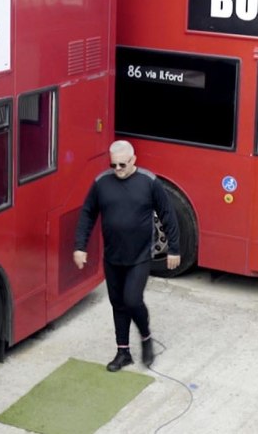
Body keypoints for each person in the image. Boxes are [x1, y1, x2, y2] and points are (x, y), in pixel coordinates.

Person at [73, 140, 180, 372]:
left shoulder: (149, 182)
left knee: (132, 300)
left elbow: (168, 215)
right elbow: (87, 214)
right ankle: (123, 352)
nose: (118, 169)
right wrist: (80, 246)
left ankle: (146, 337)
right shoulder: (102, 183)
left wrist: (174, 249)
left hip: (140, 257)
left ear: (133, 160)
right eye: (114, 165)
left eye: (122, 164)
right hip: (113, 257)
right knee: (118, 304)